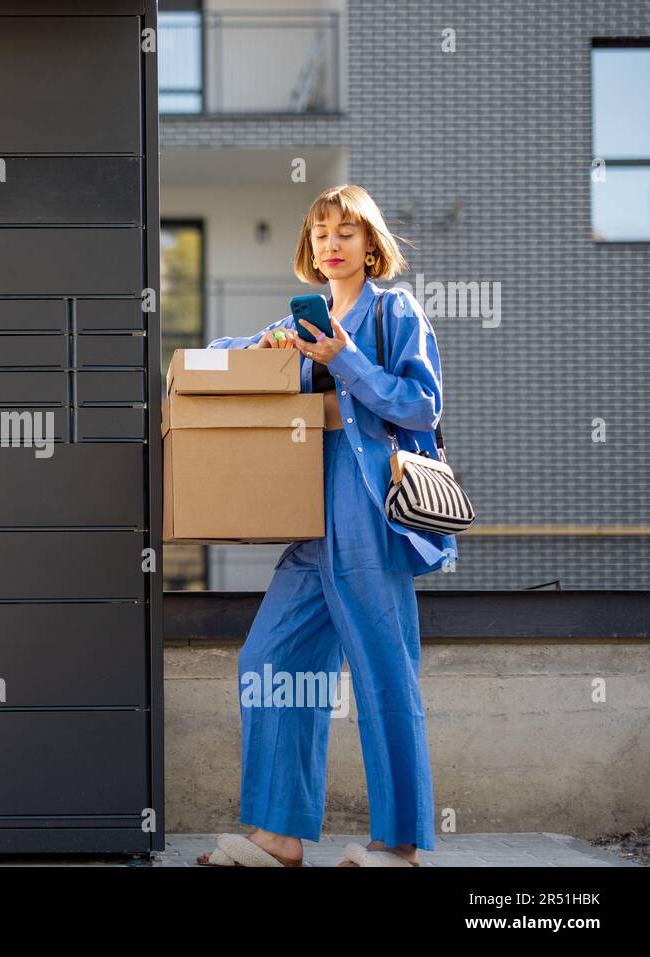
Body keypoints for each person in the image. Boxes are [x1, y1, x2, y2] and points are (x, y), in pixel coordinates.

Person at [196, 184, 456, 868]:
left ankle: (397, 845)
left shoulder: (394, 311)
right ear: (308, 249)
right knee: (270, 658)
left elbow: (421, 405)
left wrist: (342, 357)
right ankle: (279, 836)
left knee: (382, 674)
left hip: (369, 505)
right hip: (308, 510)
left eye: (346, 231)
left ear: (371, 245)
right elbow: (243, 355)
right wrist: (219, 355)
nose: (332, 244)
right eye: (320, 233)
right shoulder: (299, 325)